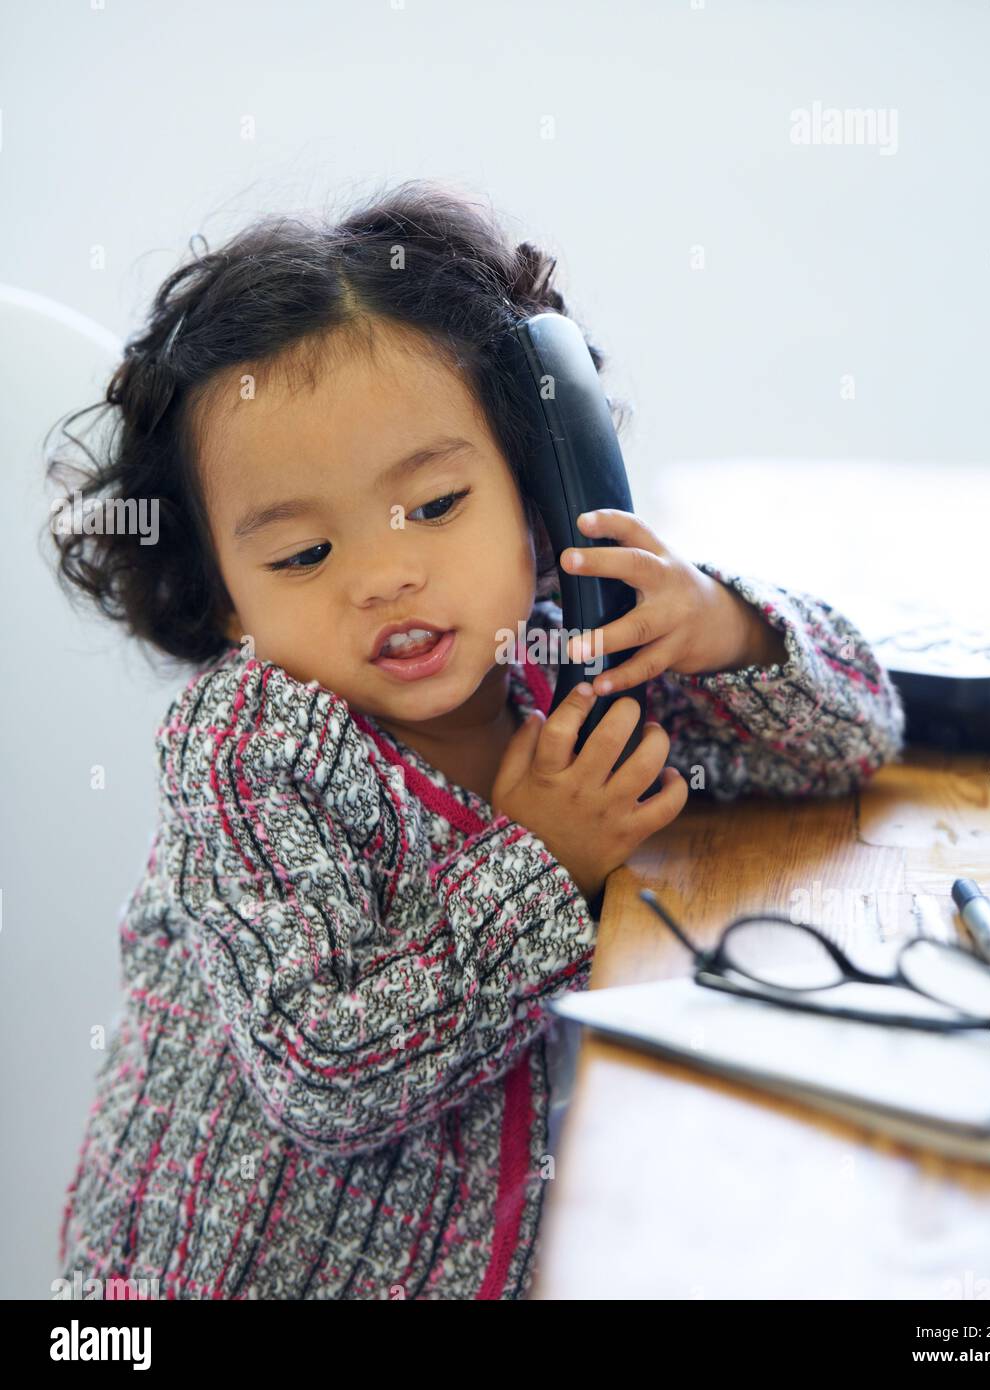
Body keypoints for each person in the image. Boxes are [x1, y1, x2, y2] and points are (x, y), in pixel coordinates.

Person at [46, 177, 905, 1300]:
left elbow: (848, 744)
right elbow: (328, 1071)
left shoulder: (569, 662)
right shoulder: (248, 750)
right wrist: (542, 860)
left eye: (437, 505)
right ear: (221, 600)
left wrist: (721, 627)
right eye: (302, 556)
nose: (383, 574)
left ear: (542, 484)